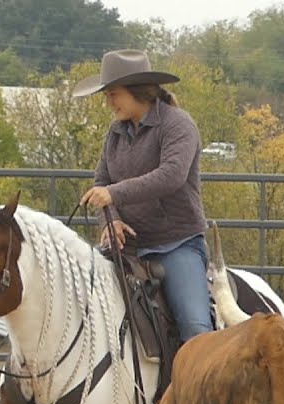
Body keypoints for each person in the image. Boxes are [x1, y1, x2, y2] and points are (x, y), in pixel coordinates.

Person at [74, 49, 214, 343]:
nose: (108, 103)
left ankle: (201, 384)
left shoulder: (178, 125)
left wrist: (113, 195)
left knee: (195, 329)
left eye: (113, 94)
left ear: (137, 92)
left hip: (177, 244)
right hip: (128, 249)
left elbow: (171, 175)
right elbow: (102, 180)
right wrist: (110, 222)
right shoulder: (116, 131)